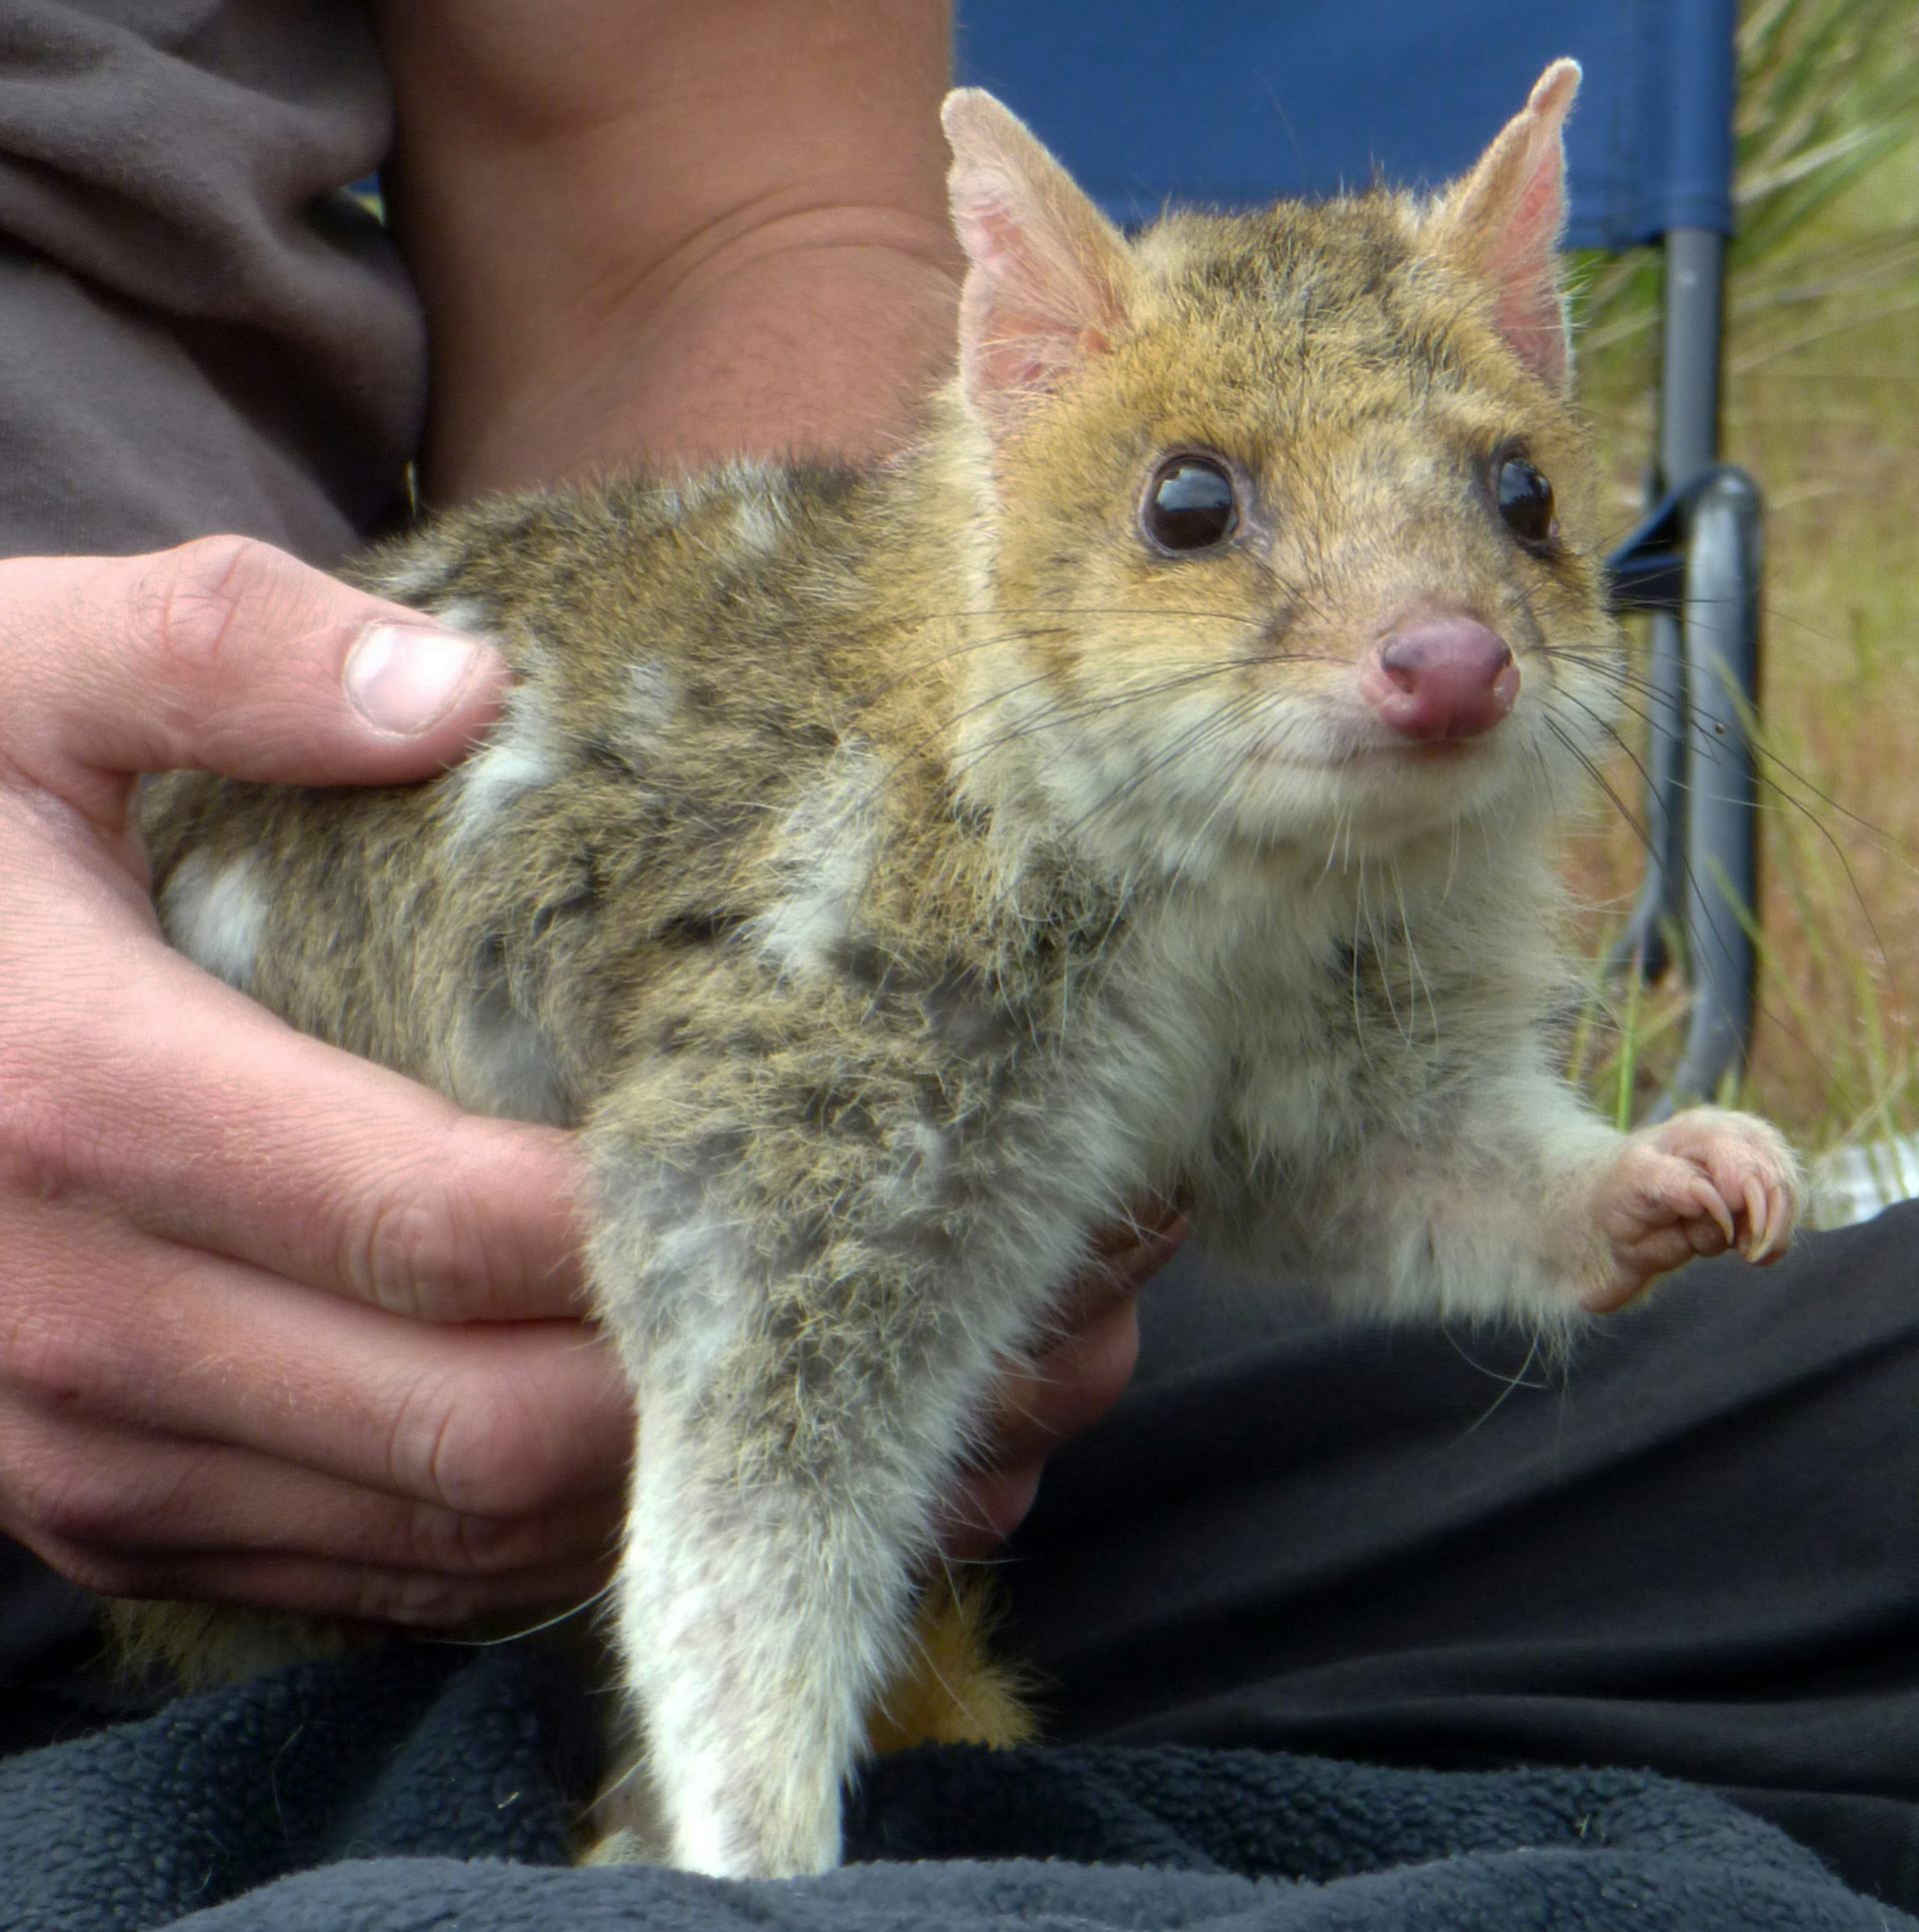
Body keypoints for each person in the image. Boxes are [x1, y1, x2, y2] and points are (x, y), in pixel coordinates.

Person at [2, 0, 1916, 1914]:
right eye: (1200, 514)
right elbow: (785, 1352)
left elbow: (705, 227)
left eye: (1510, 504)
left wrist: (1585, 1197)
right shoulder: (917, 889)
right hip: (164, 1480)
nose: (1451, 638)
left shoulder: (1290, 844)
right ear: (1028, 417)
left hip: (940, 1422)